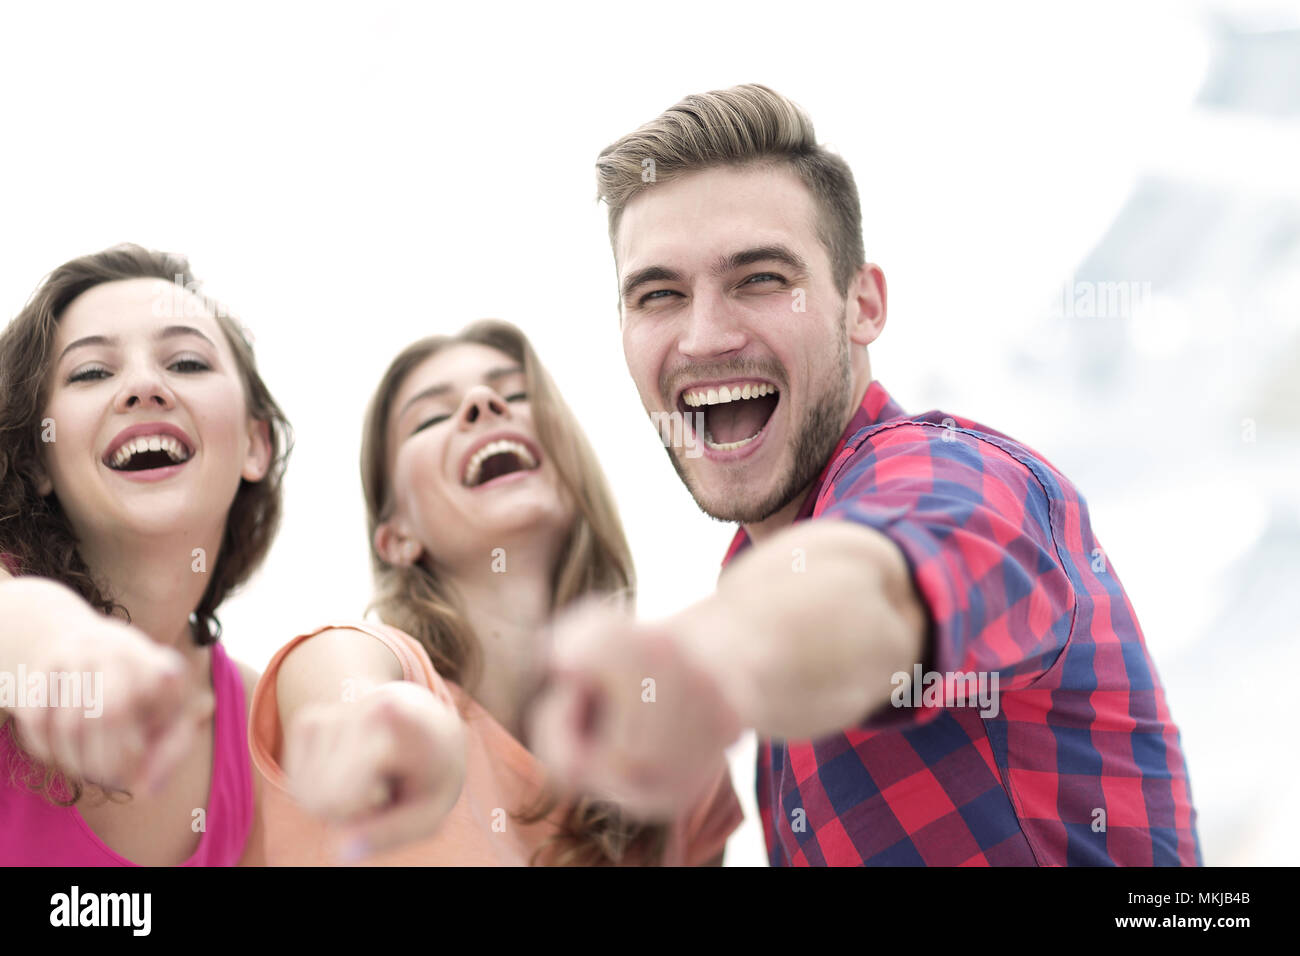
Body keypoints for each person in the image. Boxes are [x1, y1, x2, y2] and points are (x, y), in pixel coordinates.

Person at [526, 84, 1203, 866]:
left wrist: (708, 662)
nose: (704, 335)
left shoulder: (953, 470)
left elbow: (881, 586)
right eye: (658, 295)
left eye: (761, 279)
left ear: (863, 304)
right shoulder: (756, 584)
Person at [248, 319, 742, 865]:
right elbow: (347, 695)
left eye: (515, 392)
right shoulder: (357, 656)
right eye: (431, 416)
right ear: (397, 538)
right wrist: (380, 730)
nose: (484, 403)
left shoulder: (678, 768)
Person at [0, 244, 290, 865]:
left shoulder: (261, 729)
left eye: (185, 362)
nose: (143, 387)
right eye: (90, 373)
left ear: (255, 445)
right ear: (39, 458)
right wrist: (58, 647)